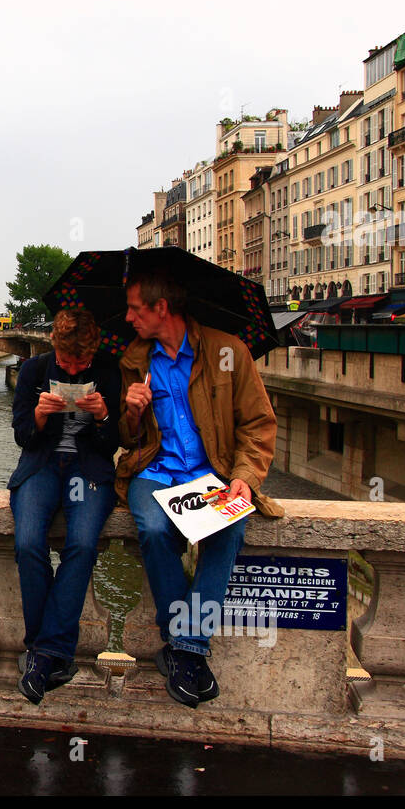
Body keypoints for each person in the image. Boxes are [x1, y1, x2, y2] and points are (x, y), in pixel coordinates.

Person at [115, 270, 283, 708]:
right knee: (153, 530)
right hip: (153, 470)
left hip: (213, 473)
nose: (128, 317)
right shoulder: (134, 360)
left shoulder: (229, 351)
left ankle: (185, 647)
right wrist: (132, 413)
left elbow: (258, 423)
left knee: (230, 530)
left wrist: (244, 476)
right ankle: (188, 648)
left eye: (135, 308)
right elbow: (126, 440)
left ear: (161, 309)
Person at [8, 307, 121, 705]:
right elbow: (23, 436)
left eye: (81, 363)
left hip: (87, 469)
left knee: (83, 546)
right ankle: (51, 652)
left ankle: (43, 654)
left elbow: (114, 444)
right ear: (54, 347)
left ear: (93, 353)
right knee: (27, 545)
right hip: (42, 465)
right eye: (67, 362)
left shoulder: (108, 370)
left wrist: (104, 415)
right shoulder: (33, 371)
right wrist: (39, 416)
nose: (73, 370)